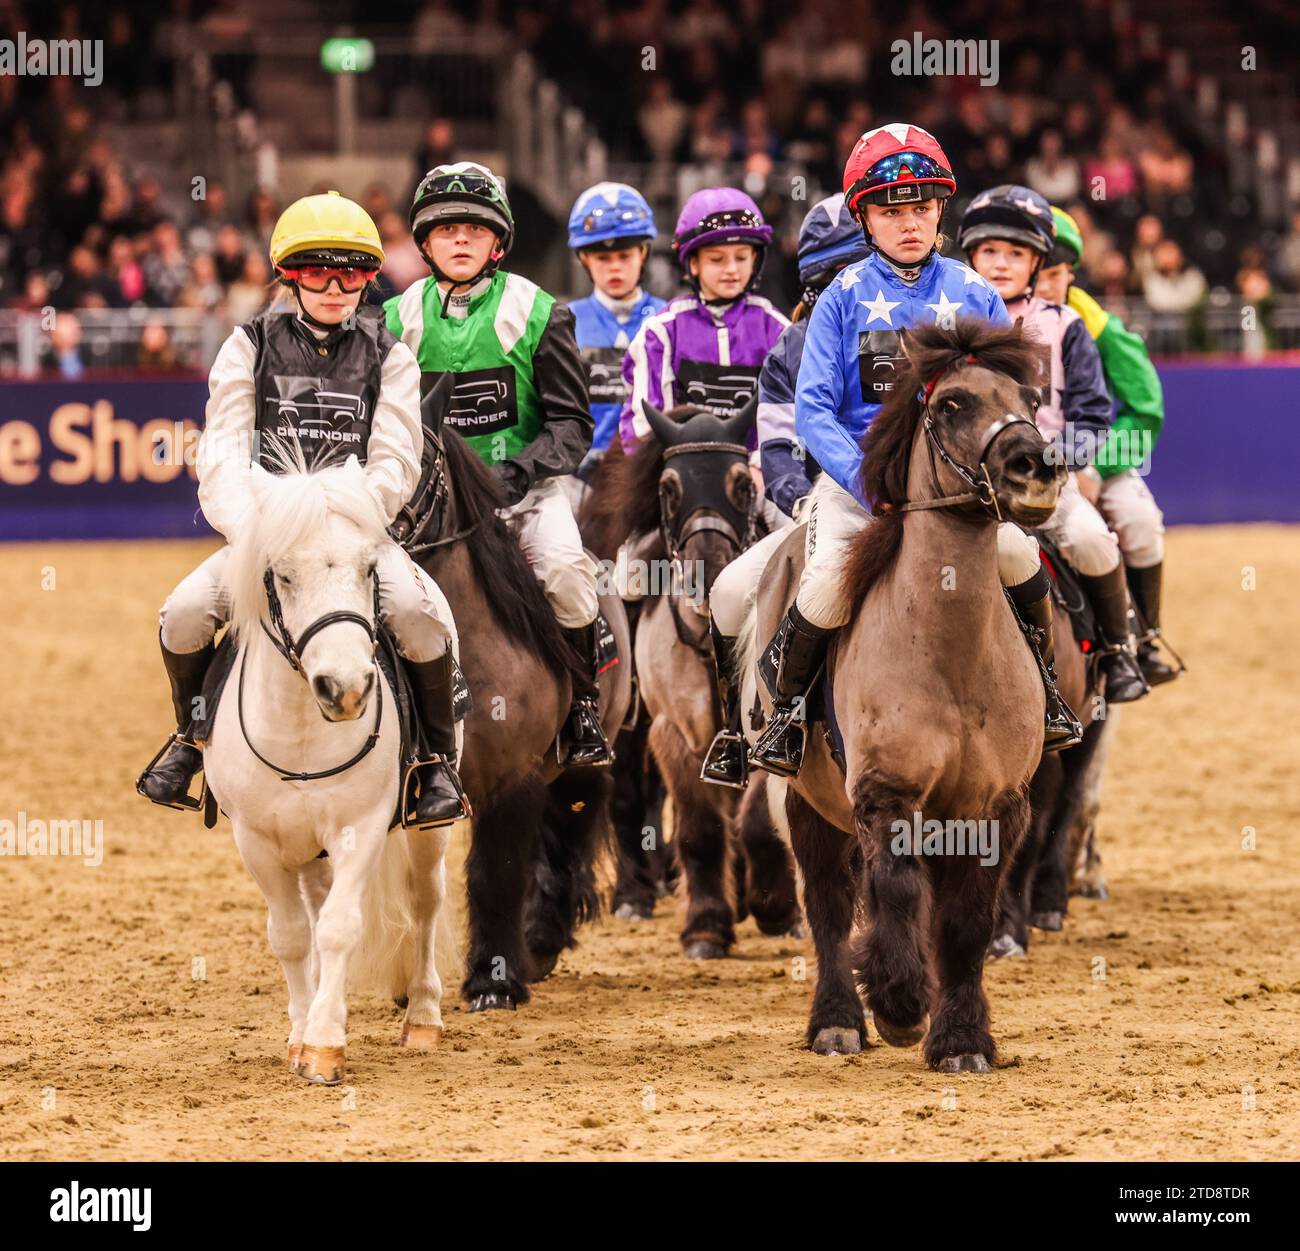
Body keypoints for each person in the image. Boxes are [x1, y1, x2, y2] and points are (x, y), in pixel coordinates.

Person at [748, 126, 1081, 780]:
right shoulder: (841, 298)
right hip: (862, 487)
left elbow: (1009, 395)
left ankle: (1046, 689)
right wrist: (869, 485)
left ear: (939, 212)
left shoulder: (975, 293)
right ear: (866, 218)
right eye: (891, 210)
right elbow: (814, 410)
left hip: (959, 490)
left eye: (921, 208)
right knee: (820, 583)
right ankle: (785, 715)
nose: (909, 223)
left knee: (1018, 554)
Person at [138, 192, 469, 826]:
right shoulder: (248, 346)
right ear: (291, 275)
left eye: (352, 271)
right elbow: (224, 450)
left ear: (370, 277)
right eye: (319, 269)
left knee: (419, 615)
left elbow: (396, 459)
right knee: (182, 614)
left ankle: (433, 764)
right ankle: (190, 739)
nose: (337, 285)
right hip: (269, 537)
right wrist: (262, 528)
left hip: (356, 537)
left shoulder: (390, 355)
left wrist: (348, 523)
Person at [384, 162, 612, 767]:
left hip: (524, 497)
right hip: (421, 508)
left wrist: (516, 474)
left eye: (475, 230)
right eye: (446, 229)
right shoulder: (392, 319)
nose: (461, 240)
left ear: (499, 243)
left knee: (567, 571)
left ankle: (583, 710)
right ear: (425, 244)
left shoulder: (539, 311)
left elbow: (572, 424)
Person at [701, 191, 868, 787]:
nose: (842, 287)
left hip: (924, 498)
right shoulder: (790, 351)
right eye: (828, 276)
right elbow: (776, 451)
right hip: (821, 505)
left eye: (854, 269)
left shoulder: (922, 318)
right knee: (726, 592)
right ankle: (749, 728)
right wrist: (803, 502)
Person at [960, 184, 1149, 707]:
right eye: (990, 252)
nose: (1001, 264)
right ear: (970, 255)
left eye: (1015, 254)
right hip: (963, 486)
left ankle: (1117, 650)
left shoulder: (1066, 327)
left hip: (1043, 480)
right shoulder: (948, 323)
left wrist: (1057, 458)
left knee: (1091, 540)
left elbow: (1091, 416)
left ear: (1037, 260)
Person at [1037, 206, 1177, 684]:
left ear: (1071, 272)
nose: (1045, 287)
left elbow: (1146, 412)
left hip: (1096, 459)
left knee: (1140, 523)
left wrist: (1095, 466)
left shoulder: (1102, 330)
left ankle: (1143, 641)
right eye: (1037, 274)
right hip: (1026, 461)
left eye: (1054, 275)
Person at [619, 186, 789, 450]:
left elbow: (789, 420)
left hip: (758, 480)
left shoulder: (779, 331)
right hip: (680, 476)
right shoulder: (661, 332)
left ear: (755, 259)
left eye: (741, 257)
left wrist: (759, 469)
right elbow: (643, 431)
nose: (731, 269)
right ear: (693, 264)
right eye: (717, 259)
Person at [565, 183, 665, 476]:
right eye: (603, 258)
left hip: (650, 475)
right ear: (584, 258)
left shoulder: (669, 318)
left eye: (625, 256)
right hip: (578, 478)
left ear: (644, 252)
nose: (615, 268)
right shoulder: (562, 322)